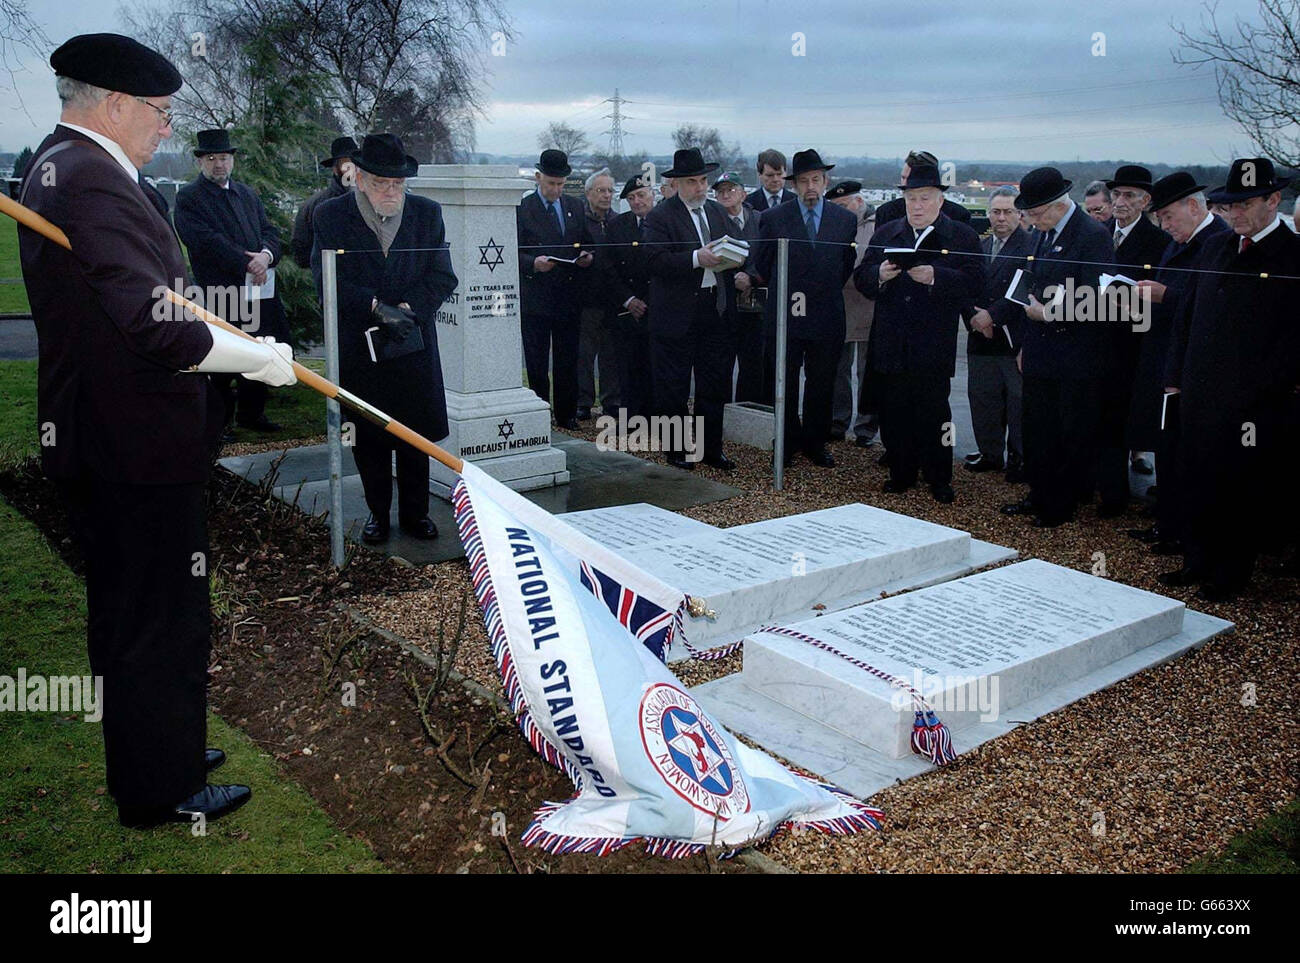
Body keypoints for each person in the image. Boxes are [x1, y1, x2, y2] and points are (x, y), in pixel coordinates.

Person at [19, 33, 297, 828]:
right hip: (131, 440)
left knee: (128, 607)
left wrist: (239, 341)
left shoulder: (64, 165)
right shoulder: (86, 178)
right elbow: (154, 321)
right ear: (114, 105)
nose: (167, 127)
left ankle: (155, 741)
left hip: (108, 433)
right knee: (159, 614)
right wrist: (253, 358)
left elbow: (150, 289)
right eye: (161, 112)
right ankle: (159, 784)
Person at [1158, 158, 1300, 601]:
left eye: (1245, 205)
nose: (1234, 215)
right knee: (1196, 479)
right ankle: (1196, 561)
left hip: (1252, 403)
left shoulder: (1292, 255)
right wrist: (1175, 375)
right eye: (1227, 207)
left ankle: (1230, 574)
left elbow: (1292, 341)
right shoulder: (1217, 249)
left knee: (1238, 489)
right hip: (1199, 391)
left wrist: (1259, 393)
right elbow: (1188, 316)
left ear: (1274, 200)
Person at [310, 133, 458, 544]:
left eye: (398, 183)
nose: (391, 191)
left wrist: (407, 310)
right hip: (362, 347)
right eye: (381, 183)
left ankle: (416, 514)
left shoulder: (428, 214)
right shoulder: (330, 217)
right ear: (359, 178)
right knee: (369, 435)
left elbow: (443, 275)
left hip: (411, 343)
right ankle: (378, 513)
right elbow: (327, 282)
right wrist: (375, 306)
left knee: (413, 435)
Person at [855, 163, 983, 501]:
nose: (917, 205)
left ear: (940, 200)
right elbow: (862, 278)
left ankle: (940, 476)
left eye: (925, 198)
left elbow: (975, 280)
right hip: (892, 341)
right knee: (895, 413)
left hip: (933, 343)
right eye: (911, 199)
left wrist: (938, 277)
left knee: (936, 414)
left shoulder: (961, 236)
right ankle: (901, 472)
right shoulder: (887, 233)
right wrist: (880, 274)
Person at [1000, 167, 1114, 527]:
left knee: (1067, 432)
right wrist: (1025, 344)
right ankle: (1039, 493)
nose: (1031, 223)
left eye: (1034, 214)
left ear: (1057, 206)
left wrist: (1049, 315)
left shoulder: (1092, 236)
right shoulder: (1042, 236)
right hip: (1039, 351)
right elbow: (1031, 282)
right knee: (1037, 428)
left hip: (1074, 355)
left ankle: (1059, 504)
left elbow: (1099, 300)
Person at [1127, 173, 1231, 557]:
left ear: (1194, 206)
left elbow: (1214, 304)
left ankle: (1187, 535)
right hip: (1165, 357)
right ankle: (1167, 524)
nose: (1166, 226)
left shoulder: (1216, 242)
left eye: (1169, 217)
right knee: (1166, 448)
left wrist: (1166, 294)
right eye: (1161, 219)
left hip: (1194, 367)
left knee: (1189, 456)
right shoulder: (1181, 241)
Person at [174, 128, 292, 434]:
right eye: (211, 158)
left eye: (224, 158)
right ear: (200, 162)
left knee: (260, 351)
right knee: (222, 362)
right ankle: (219, 421)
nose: (219, 164)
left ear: (232, 160)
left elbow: (269, 232)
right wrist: (248, 262)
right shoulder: (189, 198)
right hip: (220, 293)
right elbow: (204, 241)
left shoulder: (247, 194)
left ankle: (252, 414)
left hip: (258, 292)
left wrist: (266, 256)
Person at [753, 149, 858, 468]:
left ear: (825, 181)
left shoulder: (845, 220)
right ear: (794, 184)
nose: (810, 186)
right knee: (783, 380)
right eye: (803, 181)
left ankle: (815, 442)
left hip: (825, 314)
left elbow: (845, 267)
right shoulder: (774, 218)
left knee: (822, 381)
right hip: (786, 316)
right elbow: (764, 264)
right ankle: (786, 442)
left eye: (815, 179)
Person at [643, 147, 737, 471]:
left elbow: (732, 243)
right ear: (678, 184)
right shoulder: (661, 216)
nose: (700, 188)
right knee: (674, 385)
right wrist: (697, 258)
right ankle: (677, 448)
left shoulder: (716, 211)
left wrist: (735, 257)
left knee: (714, 382)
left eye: (702, 181)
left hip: (714, 308)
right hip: (676, 313)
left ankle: (712, 448)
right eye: (693, 182)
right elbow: (654, 260)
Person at [1093, 165, 1171, 513]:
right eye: (1117, 195)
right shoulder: (1100, 233)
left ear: (1146, 201)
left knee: (1137, 422)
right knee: (1104, 423)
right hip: (1098, 341)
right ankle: (1111, 494)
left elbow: (1163, 301)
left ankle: (1158, 497)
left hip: (1136, 346)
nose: (1120, 202)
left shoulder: (1160, 243)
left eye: (1129, 196)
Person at [515, 149, 593, 430]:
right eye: (551, 184)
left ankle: (566, 413)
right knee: (536, 362)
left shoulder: (574, 206)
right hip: (536, 298)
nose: (556, 189)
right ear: (538, 178)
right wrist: (532, 264)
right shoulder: (523, 209)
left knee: (567, 359)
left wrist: (587, 256)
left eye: (561, 184)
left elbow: (587, 241)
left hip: (567, 297)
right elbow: (512, 250)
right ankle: (538, 413)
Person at [964, 185, 1030, 480]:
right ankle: (990, 453)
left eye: (1007, 212)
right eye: (995, 212)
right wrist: (975, 318)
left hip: (1012, 337)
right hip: (980, 337)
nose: (1000, 218)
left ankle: (1019, 456)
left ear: (1019, 214)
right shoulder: (979, 247)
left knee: (1017, 403)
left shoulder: (1029, 247)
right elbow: (962, 284)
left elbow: (1023, 291)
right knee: (983, 398)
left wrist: (992, 316)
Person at [825, 180, 878, 446]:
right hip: (842, 306)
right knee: (839, 369)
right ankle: (838, 421)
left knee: (868, 371)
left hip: (870, 305)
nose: (841, 211)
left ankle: (866, 427)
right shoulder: (834, 224)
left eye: (844, 206)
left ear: (858, 202)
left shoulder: (878, 225)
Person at [711, 169, 765, 402]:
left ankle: (747, 413)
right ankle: (720, 416)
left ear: (743, 194)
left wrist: (752, 277)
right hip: (723, 305)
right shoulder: (711, 222)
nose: (725, 195)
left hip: (756, 305)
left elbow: (768, 256)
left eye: (730, 190)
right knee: (720, 365)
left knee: (753, 365)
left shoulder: (760, 219)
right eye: (720, 191)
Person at [605, 176, 655, 419]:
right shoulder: (617, 226)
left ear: (652, 194)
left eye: (641, 195)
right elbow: (608, 268)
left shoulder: (665, 221)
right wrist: (629, 299)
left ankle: (658, 421)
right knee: (627, 369)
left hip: (659, 307)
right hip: (627, 309)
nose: (637, 202)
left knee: (657, 369)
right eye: (631, 198)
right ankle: (632, 420)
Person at [575, 167, 621, 420]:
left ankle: (611, 401)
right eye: (600, 190)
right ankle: (583, 401)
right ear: (588, 193)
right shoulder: (579, 221)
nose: (606, 195)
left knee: (610, 355)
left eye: (610, 190)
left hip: (612, 299)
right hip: (586, 298)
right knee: (584, 354)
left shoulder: (618, 221)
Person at [291, 135, 356, 269]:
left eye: (356, 163)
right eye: (346, 164)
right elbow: (301, 252)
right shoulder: (315, 206)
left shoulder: (375, 202)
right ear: (335, 168)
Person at [873, 150, 973, 227]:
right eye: (903, 177)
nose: (905, 184)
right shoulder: (886, 213)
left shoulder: (958, 215)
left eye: (910, 179)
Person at [746, 148, 795, 212]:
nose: (775, 179)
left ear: (786, 173)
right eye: (770, 175)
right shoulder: (748, 203)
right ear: (759, 175)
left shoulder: (797, 201)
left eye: (779, 174)